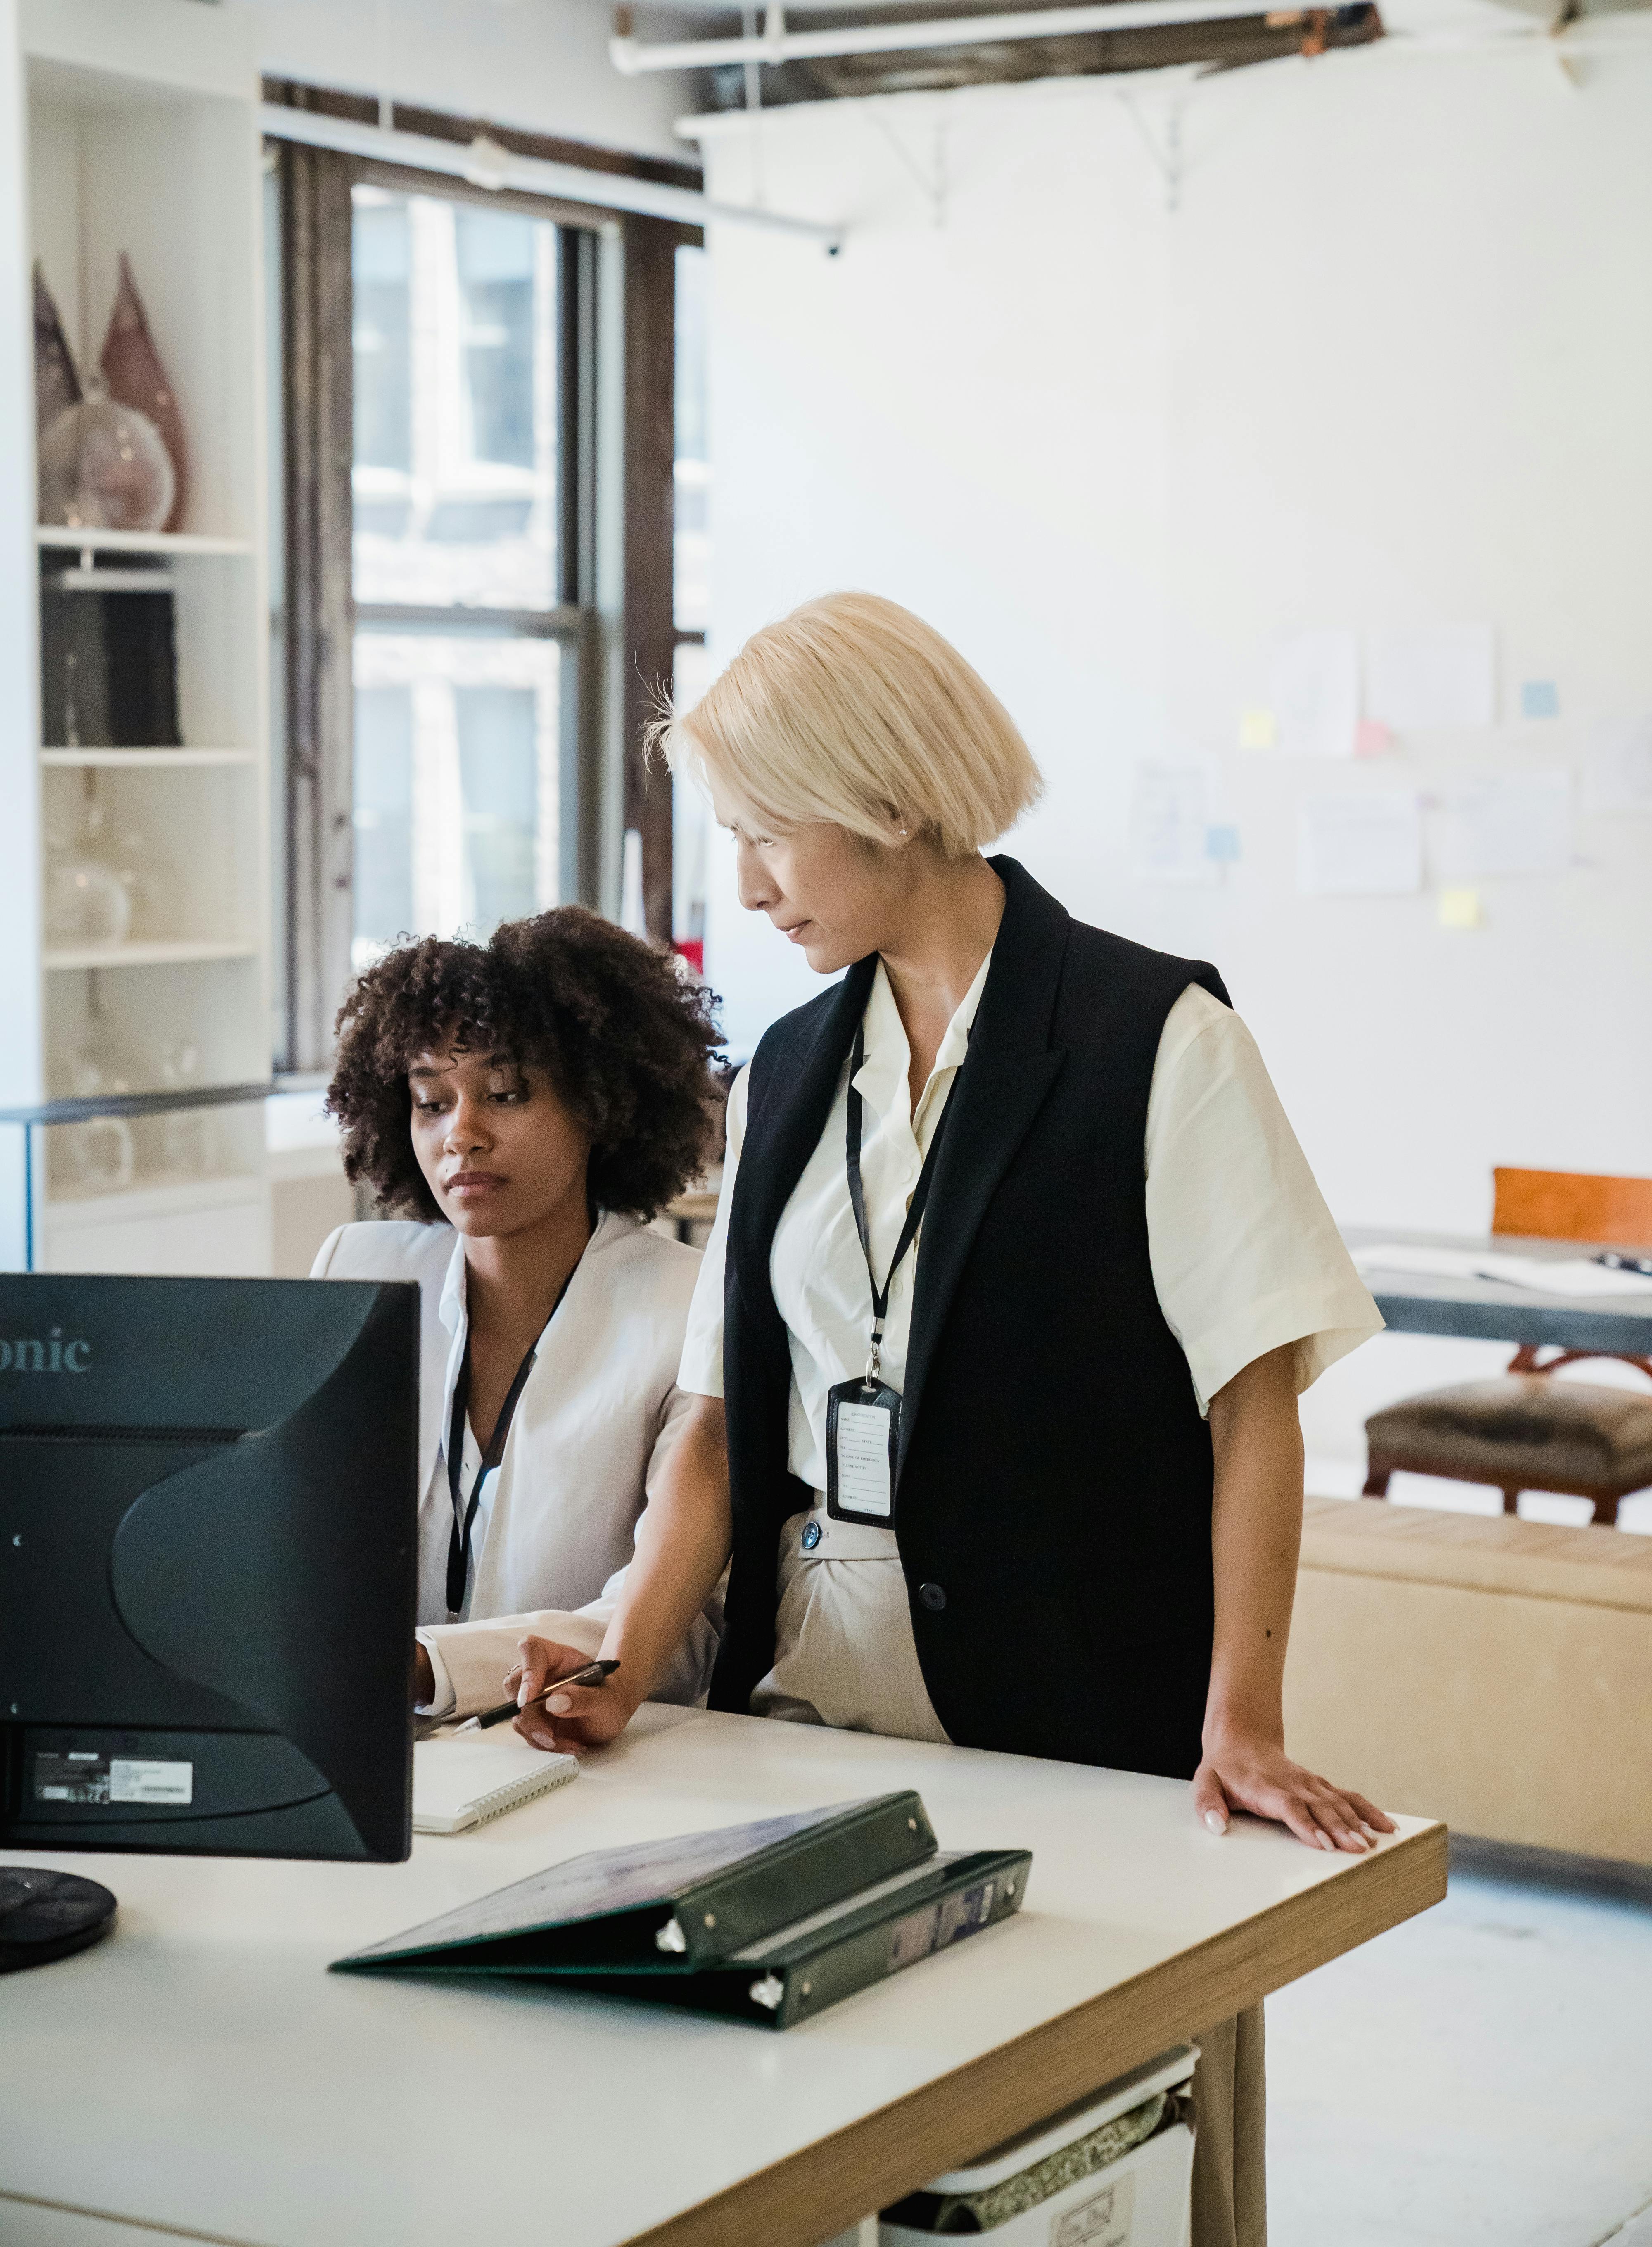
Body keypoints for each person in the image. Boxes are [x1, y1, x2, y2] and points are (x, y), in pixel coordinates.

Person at [505, 594, 1393, 2247]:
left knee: (1097, 2158)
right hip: (806, 1719)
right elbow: (717, 1416)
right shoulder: (782, 1063)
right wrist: (629, 1641)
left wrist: (1243, 1715)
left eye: (768, 833)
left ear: (889, 799)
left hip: (1071, 1723)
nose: (748, 882)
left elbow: (1252, 1405)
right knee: (840, 2173)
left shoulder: (1155, 1040)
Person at [313, 907, 725, 1718]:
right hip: (367, 1746)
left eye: (503, 1094)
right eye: (431, 1103)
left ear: (599, 1105)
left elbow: (678, 1632)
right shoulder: (357, 1273)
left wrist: (431, 1668)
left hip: (593, 1761)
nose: (460, 1135)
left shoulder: (689, 1305)